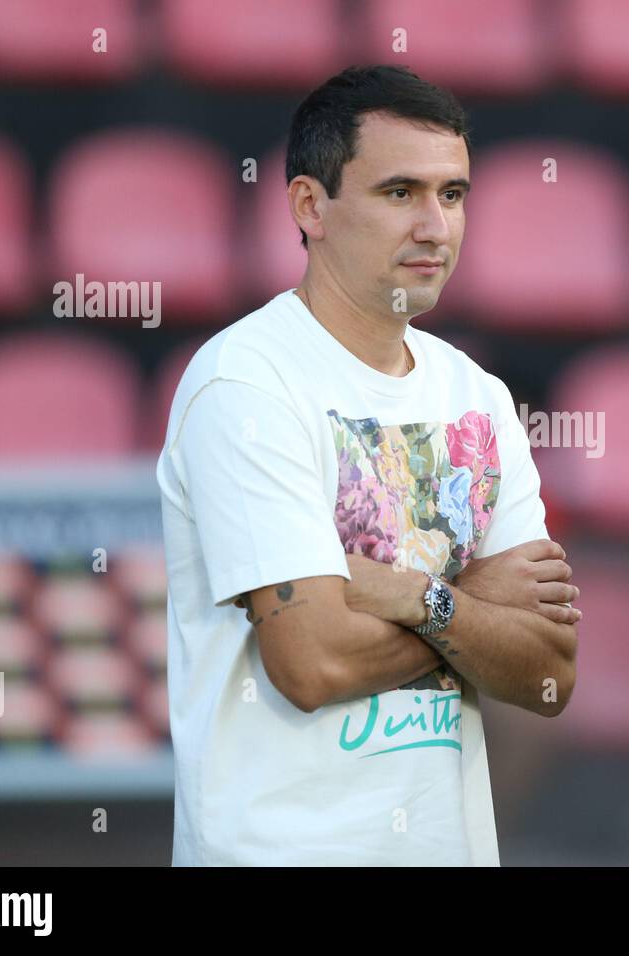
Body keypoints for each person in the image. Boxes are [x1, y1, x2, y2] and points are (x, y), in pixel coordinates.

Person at [157, 65, 579, 866]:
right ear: (310, 207)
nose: (435, 227)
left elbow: (549, 673)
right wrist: (465, 605)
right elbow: (311, 663)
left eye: (452, 195)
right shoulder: (245, 383)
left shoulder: (478, 396)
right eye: (400, 193)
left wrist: (408, 595)